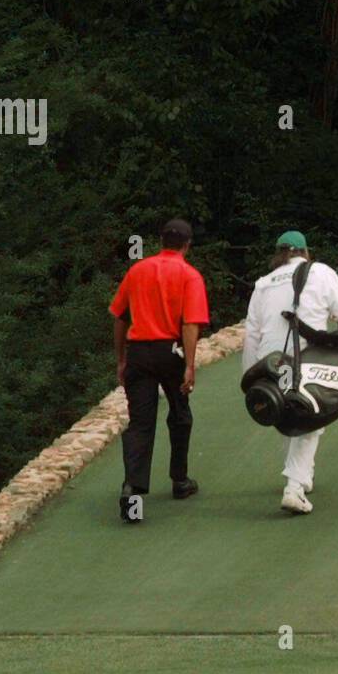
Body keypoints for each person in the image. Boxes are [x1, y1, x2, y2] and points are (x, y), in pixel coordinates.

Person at [243, 230, 338, 514]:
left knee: (287, 413)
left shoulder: (263, 283)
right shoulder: (319, 272)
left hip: (268, 360)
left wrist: (249, 376)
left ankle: (301, 476)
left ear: (279, 254)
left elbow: (251, 334)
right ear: (304, 252)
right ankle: (294, 487)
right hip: (304, 355)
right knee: (311, 416)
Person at [109, 219, 210, 522]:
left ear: (161, 241)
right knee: (179, 415)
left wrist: (121, 358)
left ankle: (132, 490)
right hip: (170, 352)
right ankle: (180, 481)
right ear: (187, 245)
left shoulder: (137, 270)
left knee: (141, 423)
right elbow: (190, 324)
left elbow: (119, 317)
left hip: (139, 352)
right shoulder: (189, 275)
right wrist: (190, 366)